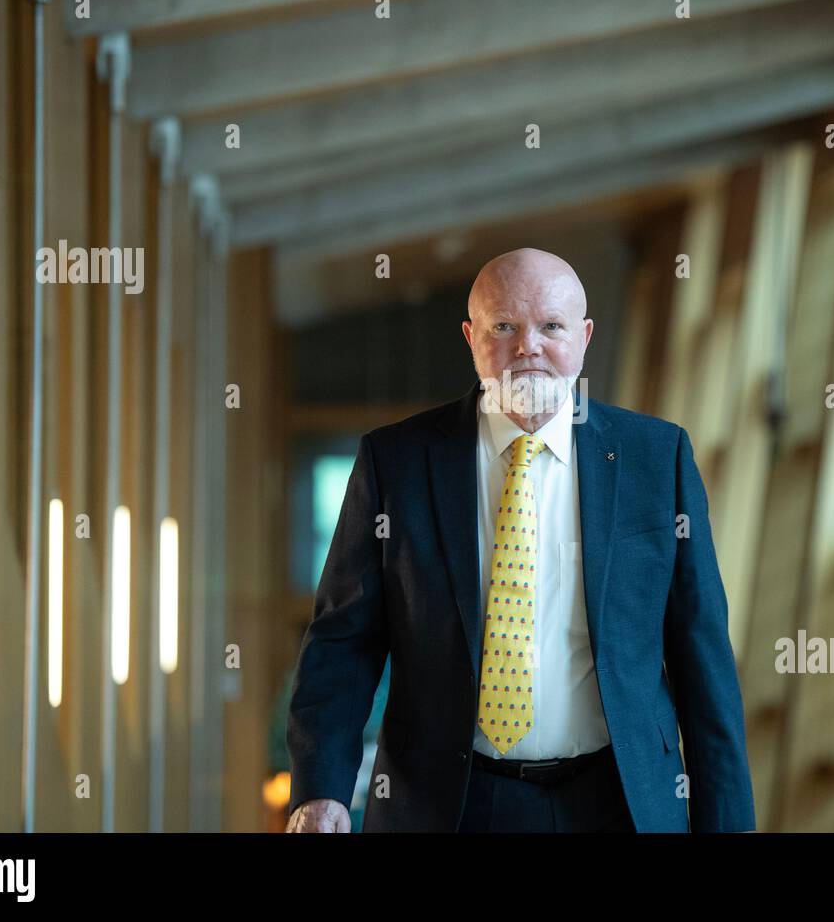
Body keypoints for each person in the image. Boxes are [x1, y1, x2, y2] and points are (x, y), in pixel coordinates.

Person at [285, 247, 755, 832]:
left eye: (551, 326)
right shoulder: (397, 461)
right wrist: (321, 790)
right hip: (451, 804)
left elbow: (701, 653)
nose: (528, 347)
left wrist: (727, 822)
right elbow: (344, 639)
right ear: (470, 336)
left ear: (584, 337)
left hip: (619, 801)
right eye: (504, 326)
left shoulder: (655, 458)